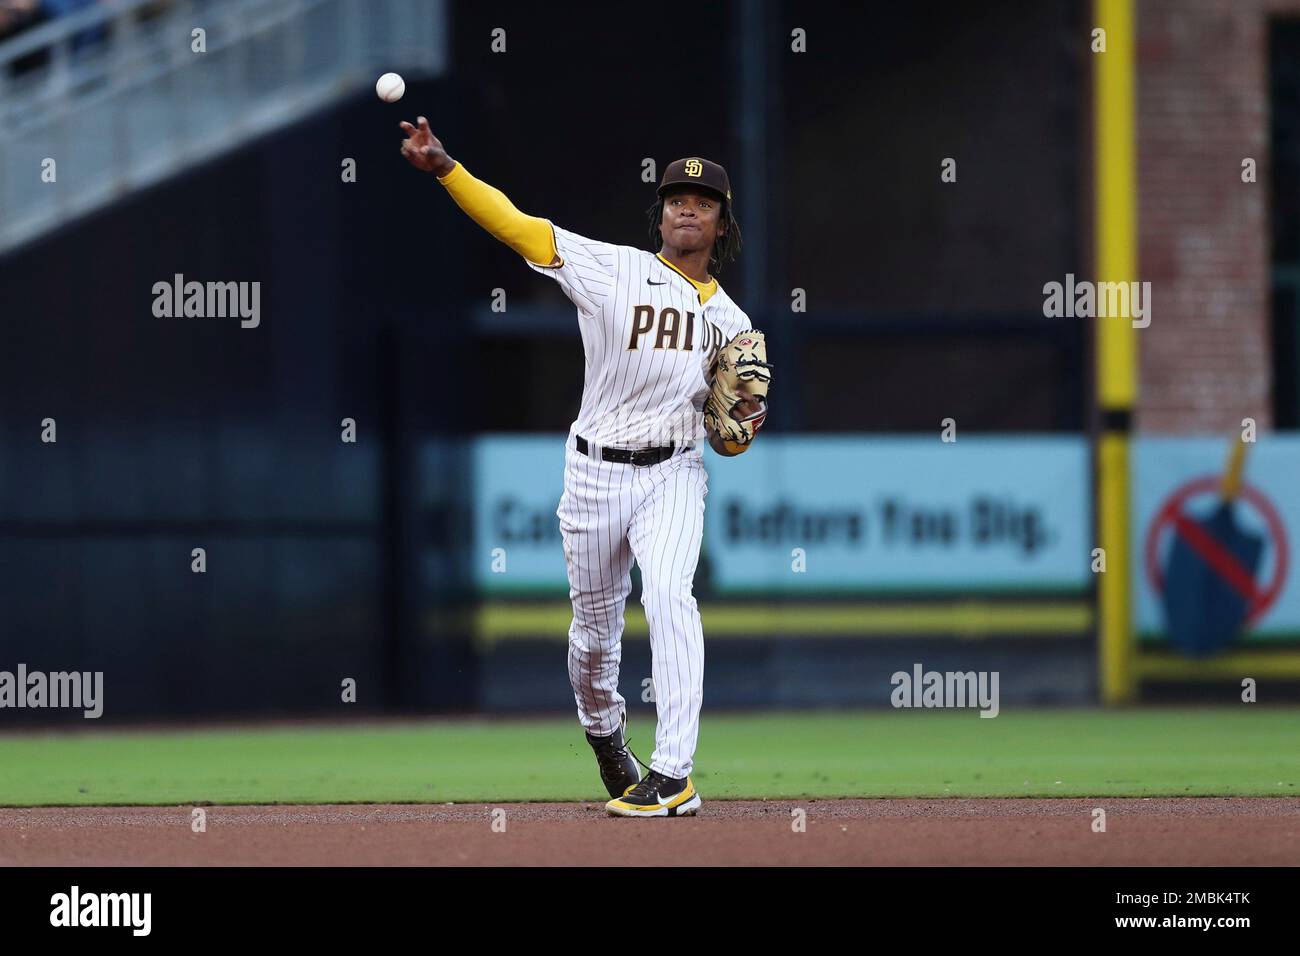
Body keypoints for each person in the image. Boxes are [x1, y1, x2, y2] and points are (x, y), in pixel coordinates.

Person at [399, 117, 766, 817]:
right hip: (595, 473)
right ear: (659, 214)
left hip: (672, 474)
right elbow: (516, 225)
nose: (687, 208)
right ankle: (605, 735)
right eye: (676, 199)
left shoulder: (735, 324)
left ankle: (673, 774)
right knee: (593, 640)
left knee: (669, 596)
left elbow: (730, 437)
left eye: (704, 202)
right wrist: (448, 168)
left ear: (722, 225)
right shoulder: (613, 267)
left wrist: (741, 426)